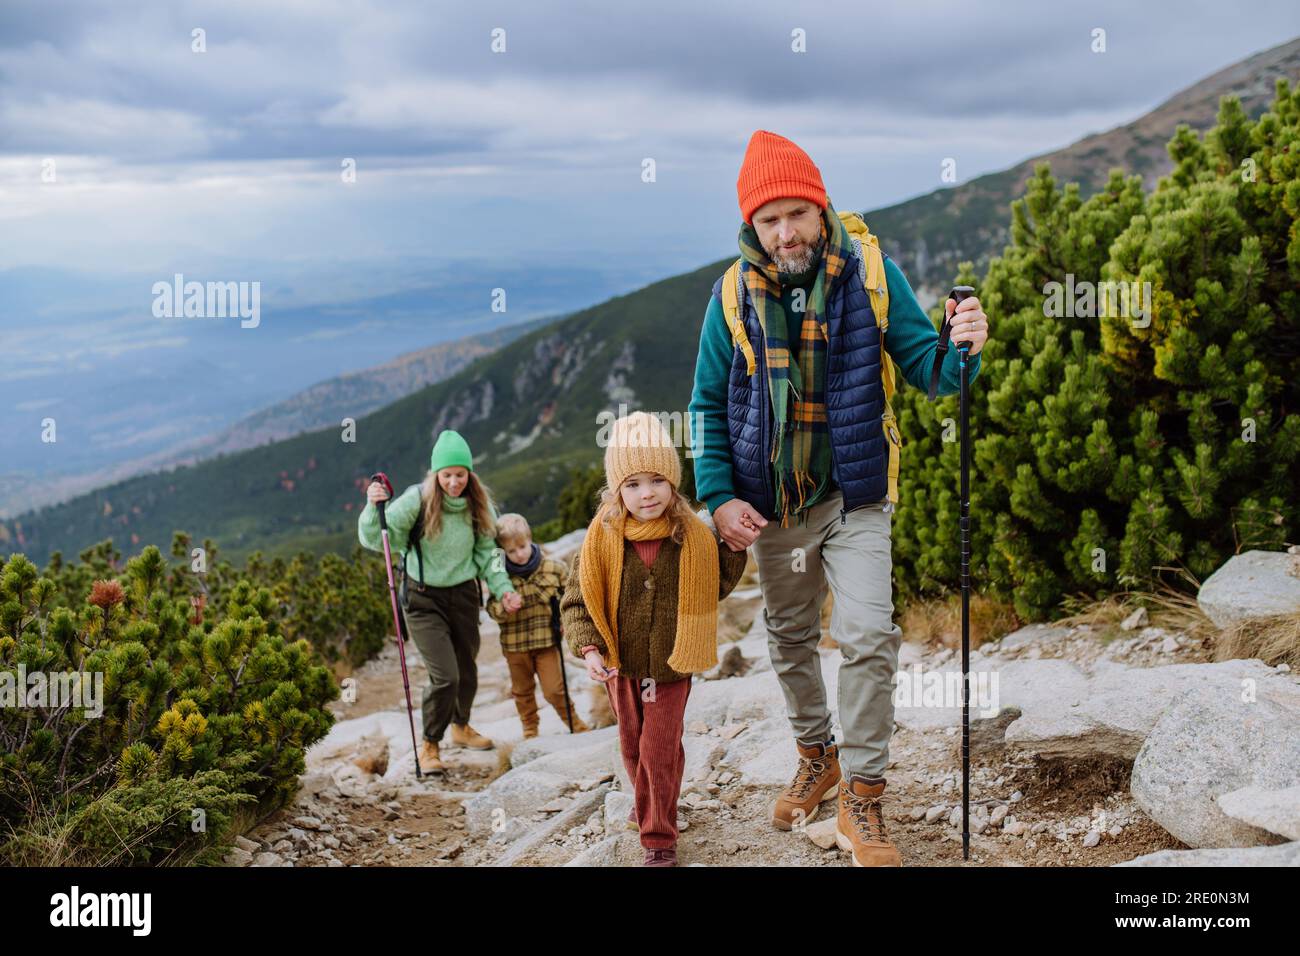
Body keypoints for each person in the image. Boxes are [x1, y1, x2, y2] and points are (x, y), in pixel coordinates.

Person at [688, 130, 991, 866]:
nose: (786, 232)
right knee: (790, 642)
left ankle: (862, 795)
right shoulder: (731, 296)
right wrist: (719, 496)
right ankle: (816, 753)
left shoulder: (872, 272)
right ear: (750, 226)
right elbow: (703, 407)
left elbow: (929, 369)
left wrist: (964, 349)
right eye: (769, 219)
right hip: (773, 507)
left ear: (821, 208)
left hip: (856, 494)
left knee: (867, 636)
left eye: (797, 212)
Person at [560, 411, 748, 866]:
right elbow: (577, 602)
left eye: (657, 480)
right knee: (631, 743)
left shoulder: (692, 534)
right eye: (634, 483)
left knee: (659, 748)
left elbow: (715, 586)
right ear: (617, 489)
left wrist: (735, 549)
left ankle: (659, 839)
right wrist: (588, 648)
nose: (647, 493)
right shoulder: (600, 539)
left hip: (672, 663)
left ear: (673, 482)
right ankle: (647, 802)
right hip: (619, 664)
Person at [359, 429, 522, 774]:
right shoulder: (415, 501)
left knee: (467, 669)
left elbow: (489, 554)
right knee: (445, 675)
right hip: (422, 599)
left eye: (459, 474)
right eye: (446, 475)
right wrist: (374, 507)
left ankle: (461, 727)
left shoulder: (480, 506)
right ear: (435, 474)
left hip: (463, 595)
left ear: (469, 474)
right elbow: (377, 539)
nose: (453, 482)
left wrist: (503, 586)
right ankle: (430, 745)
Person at [486, 512, 591, 738]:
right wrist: (504, 607)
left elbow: (571, 598)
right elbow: (491, 610)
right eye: (511, 551)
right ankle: (530, 728)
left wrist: (566, 622)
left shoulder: (554, 568)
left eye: (522, 546)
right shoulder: (499, 577)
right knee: (522, 691)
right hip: (515, 646)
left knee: (555, 689)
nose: (519, 554)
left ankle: (575, 723)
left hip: (547, 642)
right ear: (502, 551)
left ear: (530, 539)